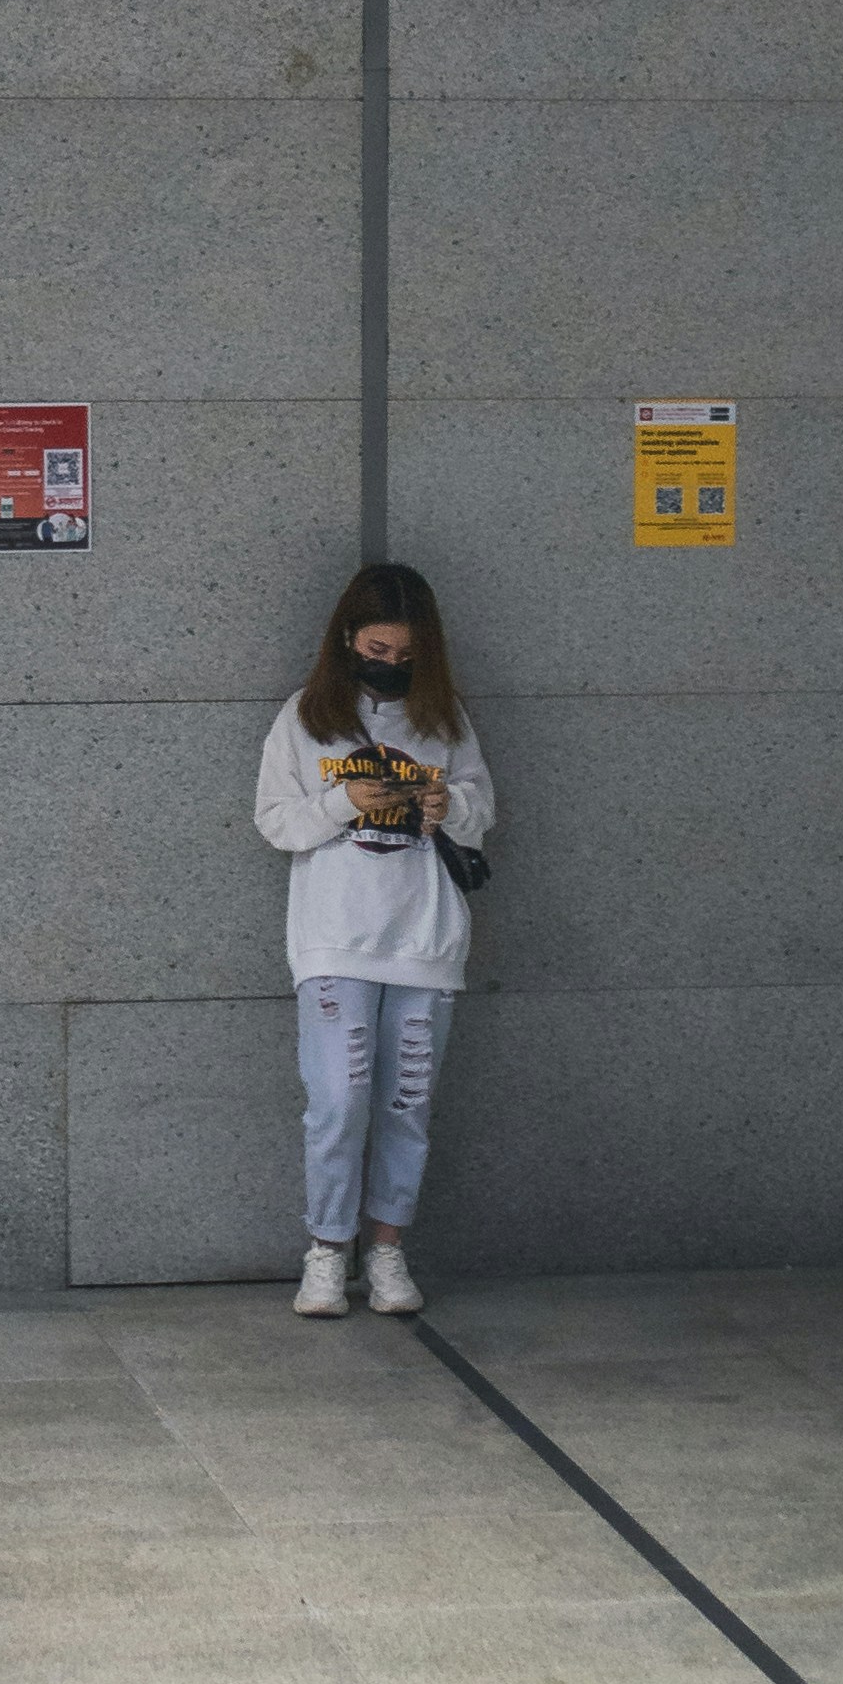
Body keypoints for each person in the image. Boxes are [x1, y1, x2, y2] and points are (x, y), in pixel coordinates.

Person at [253, 562, 495, 1316]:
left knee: (405, 1104)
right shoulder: (305, 716)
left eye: (403, 654)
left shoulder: (442, 717)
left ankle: (386, 1251)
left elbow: (482, 813)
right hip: (331, 939)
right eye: (376, 649)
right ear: (347, 637)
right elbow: (275, 822)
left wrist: (443, 800)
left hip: (424, 938)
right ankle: (327, 1250)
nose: (388, 665)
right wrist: (343, 799)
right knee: (339, 1098)